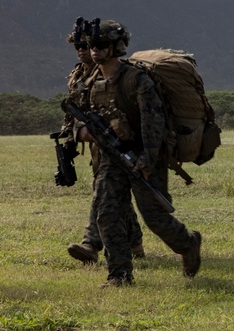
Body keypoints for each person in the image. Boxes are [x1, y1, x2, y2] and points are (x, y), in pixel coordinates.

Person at [71, 19, 201, 287]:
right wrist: (80, 131)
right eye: (90, 45)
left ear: (116, 47)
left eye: (101, 45)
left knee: (154, 215)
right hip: (111, 157)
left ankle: (188, 244)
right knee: (106, 214)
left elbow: (153, 123)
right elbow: (78, 114)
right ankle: (119, 275)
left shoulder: (136, 79)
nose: (94, 50)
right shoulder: (90, 80)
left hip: (144, 156)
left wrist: (146, 160)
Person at [59, 20, 145, 265]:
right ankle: (135, 242)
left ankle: (91, 244)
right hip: (98, 144)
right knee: (112, 194)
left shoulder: (114, 72)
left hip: (121, 142)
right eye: (80, 45)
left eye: (89, 45)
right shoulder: (80, 74)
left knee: (104, 193)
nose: (83, 50)